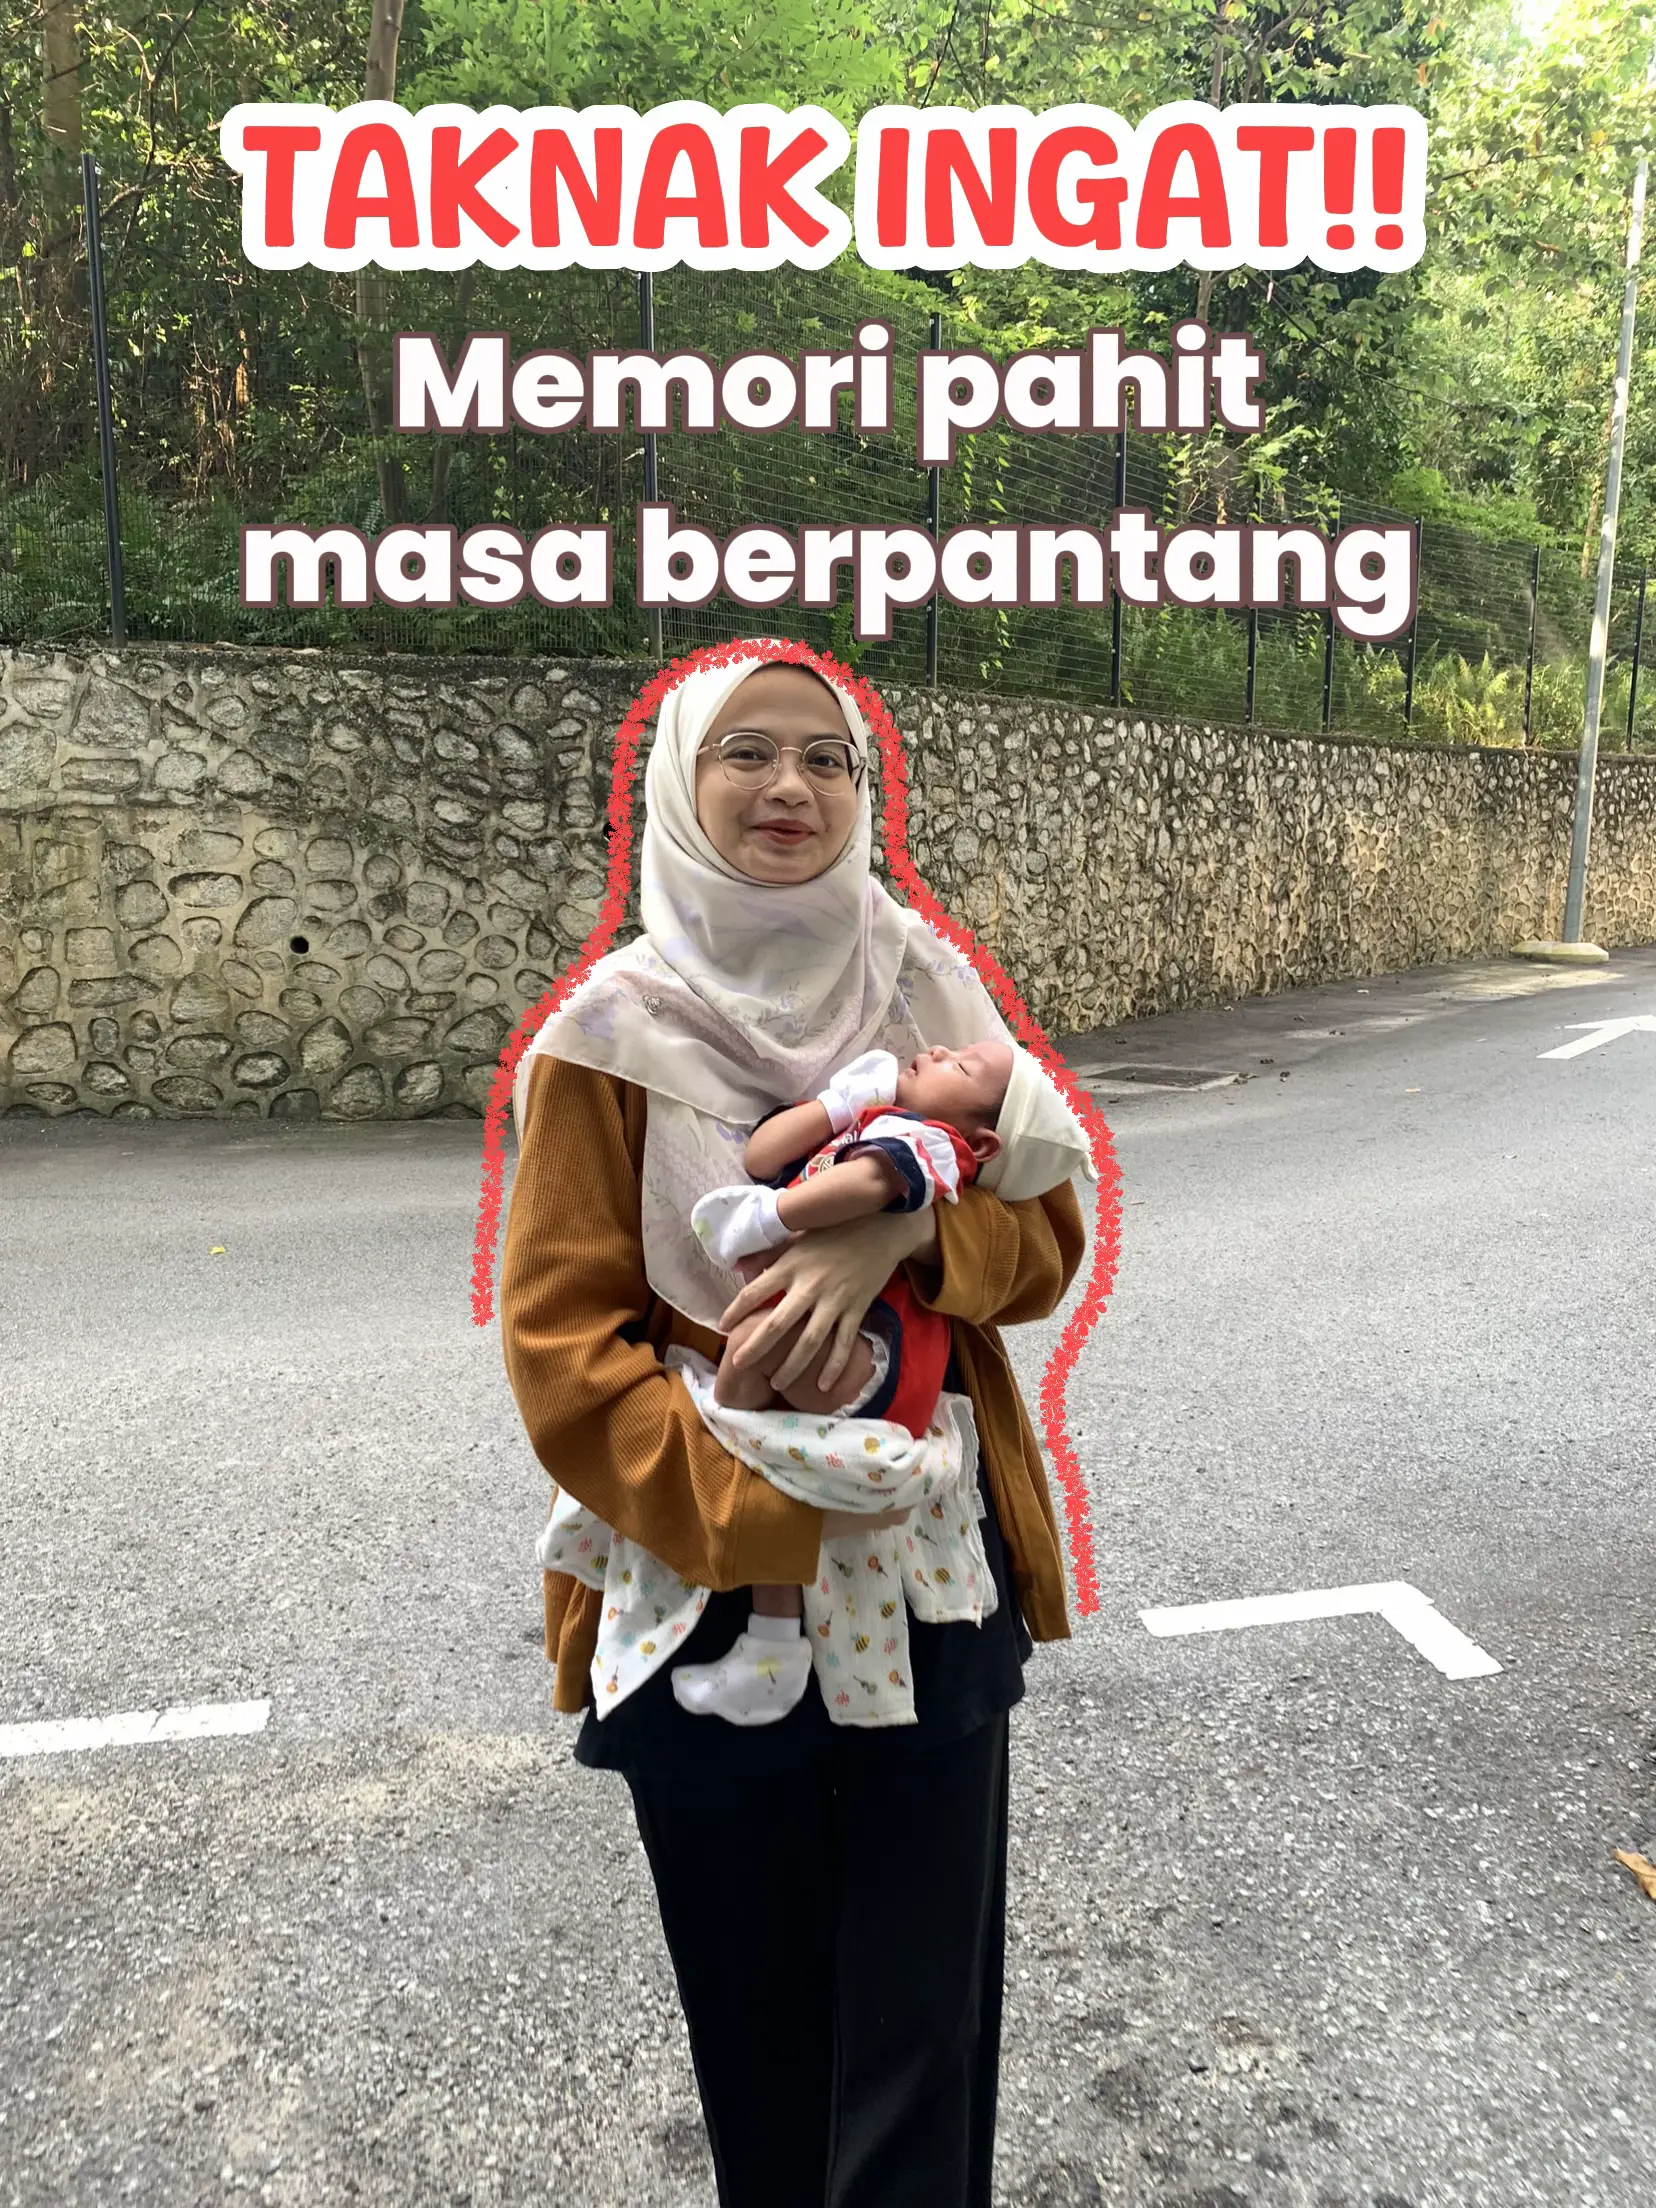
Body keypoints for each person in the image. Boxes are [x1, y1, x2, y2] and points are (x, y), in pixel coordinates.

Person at [499, 644, 1087, 2208]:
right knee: (759, 2025)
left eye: (828, 760)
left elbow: (1050, 1241)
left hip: (930, 1568)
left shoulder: (927, 987)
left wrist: (901, 1234)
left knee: (922, 2031)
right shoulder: (609, 1036)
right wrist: (769, 1513)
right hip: (704, 1578)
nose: (791, 787)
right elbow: (562, 1346)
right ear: (676, 788)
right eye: (746, 753)